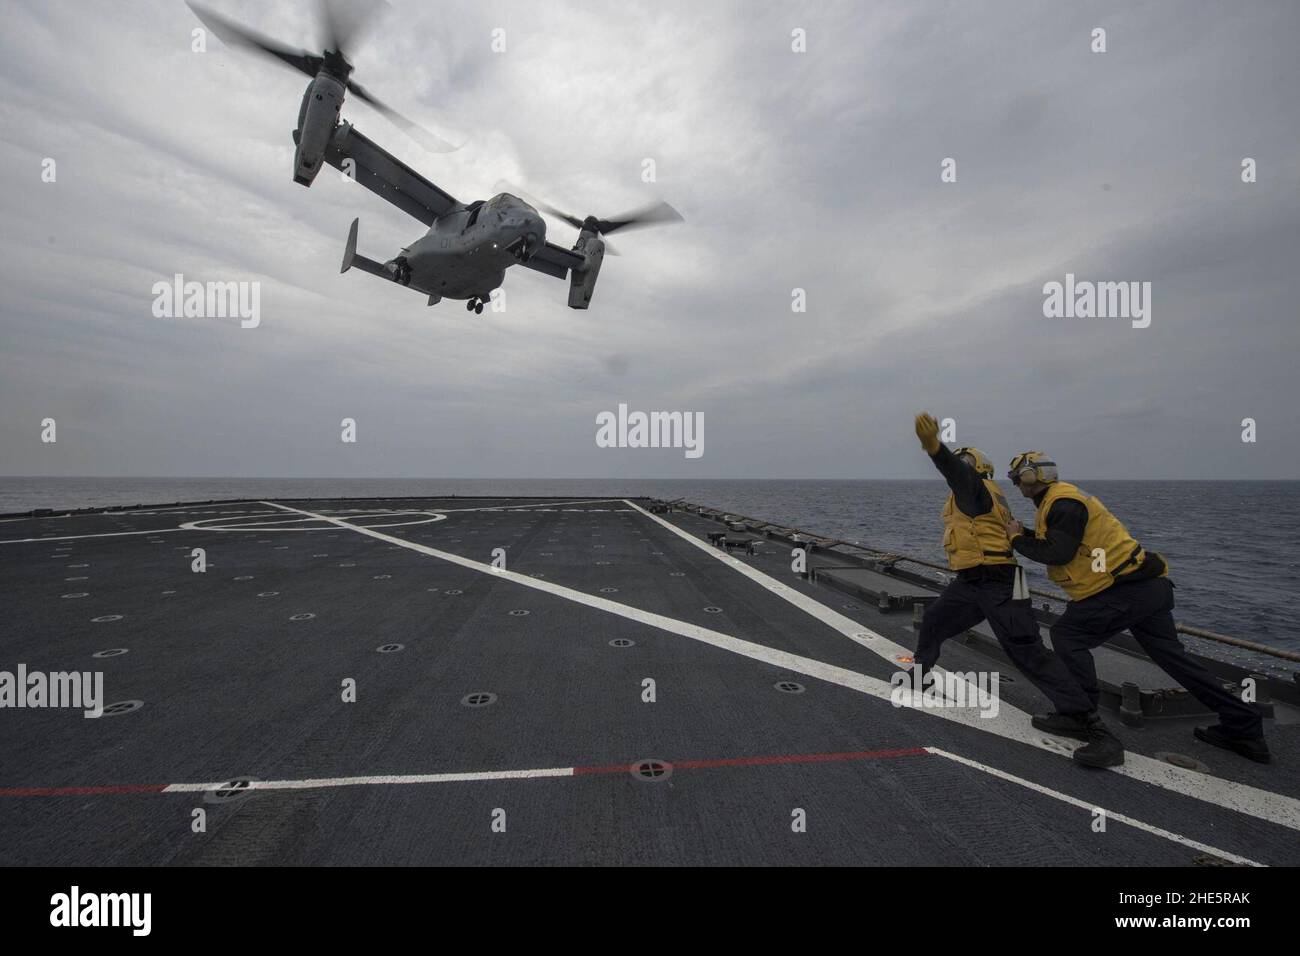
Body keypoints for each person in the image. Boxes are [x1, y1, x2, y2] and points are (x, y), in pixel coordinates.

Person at [1005, 451, 1269, 766]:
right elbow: (1067, 544)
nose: (1017, 484)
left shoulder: (1062, 504)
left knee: (1068, 635)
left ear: (1031, 477)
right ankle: (1245, 726)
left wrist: (1017, 541)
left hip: (1123, 590)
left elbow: (1059, 553)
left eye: (1017, 478)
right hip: (1148, 587)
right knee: (1174, 659)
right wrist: (1025, 534)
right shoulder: (1065, 500)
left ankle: (1081, 718)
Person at [909, 414, 1099, 732]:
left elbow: (956, 472)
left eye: (966, 463)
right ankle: (918, 674)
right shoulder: (985, 495)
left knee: (1025, 649)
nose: (962, 468)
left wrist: (934, 447)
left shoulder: (976, 489)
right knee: (934, 621)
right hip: (971, 581)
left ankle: (1083, 716)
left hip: (999, 583)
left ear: (977, 469)